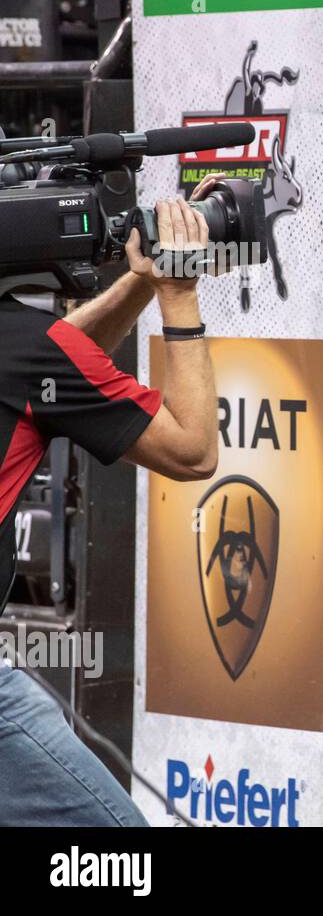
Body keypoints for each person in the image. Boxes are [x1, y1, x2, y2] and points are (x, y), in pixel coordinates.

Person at [0, 177, 225, 825]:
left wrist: (143, 279)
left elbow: (57, 367)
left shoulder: (28, 353)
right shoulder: (26, 348)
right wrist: (179, 290)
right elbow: (192, 449)